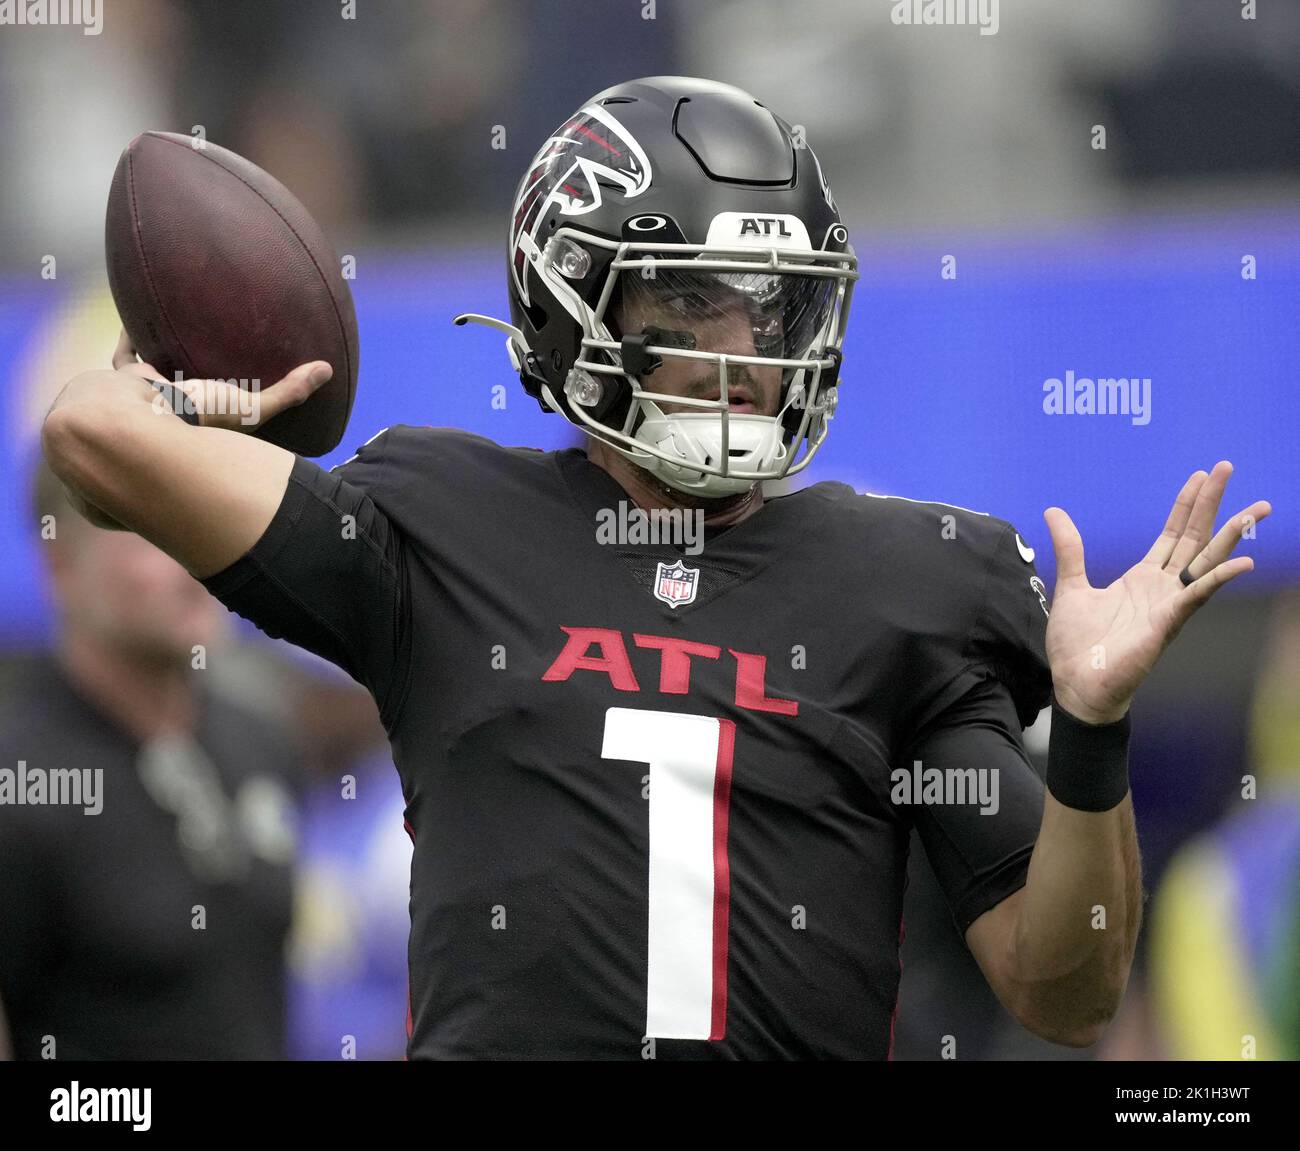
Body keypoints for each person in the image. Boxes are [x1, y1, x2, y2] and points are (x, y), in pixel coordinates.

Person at [40, 75, 1269, 1059]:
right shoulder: (440, 520)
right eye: (693, 303)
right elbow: (90, 436)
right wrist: (199, 389)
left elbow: (1067, 988)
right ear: (574, 309)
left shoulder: (912, 583)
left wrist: (1095, 735)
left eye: (770, 308)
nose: (743, 348)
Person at [0, 461, 299, 1060]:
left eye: (194, 520)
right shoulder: (21, 784)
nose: (192, 565)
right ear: (63, 568)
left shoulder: (259, 742)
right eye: (150, 535)